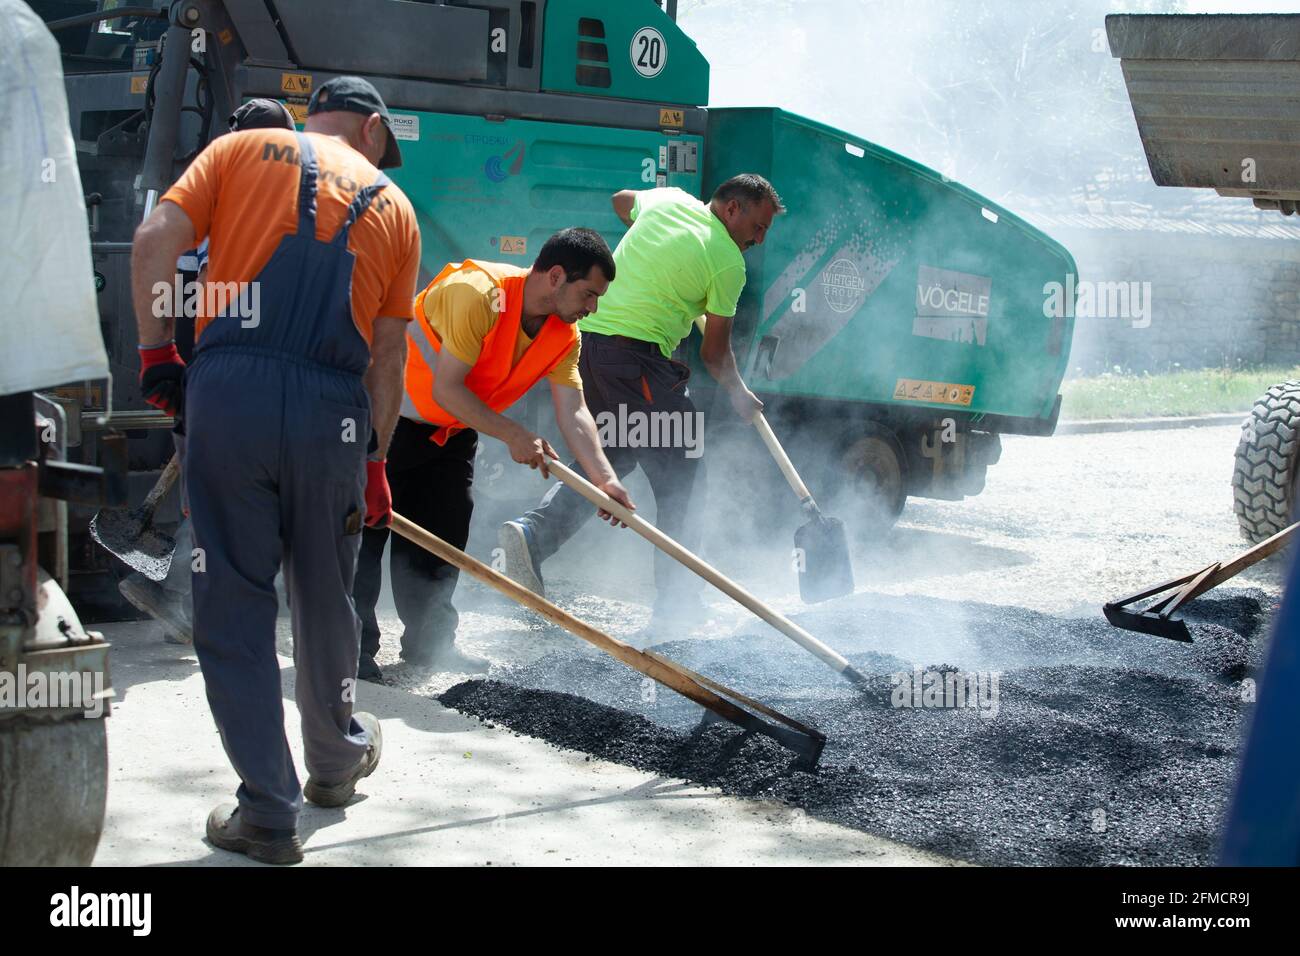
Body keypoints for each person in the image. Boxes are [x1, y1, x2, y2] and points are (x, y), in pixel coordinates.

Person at [131, 76, 419, 864]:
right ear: (372, 131)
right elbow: (389, 357)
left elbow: (155, 241)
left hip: (232, 395)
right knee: (327, 595)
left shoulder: (234, 150)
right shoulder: (394, 205)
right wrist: (376, 461)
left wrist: (159, 354)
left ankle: (265, 809)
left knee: (234, 602)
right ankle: (335, 761)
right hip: (335, 409)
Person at [500, 175, 782, 629]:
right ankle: (677, 605)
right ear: (732, 209)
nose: (760, 238)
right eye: (758, 225)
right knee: (684, 476)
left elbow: (619, 199)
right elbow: (714, 355)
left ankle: (533, 533)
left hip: (587, 346)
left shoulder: (669, 200)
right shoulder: (729, 262)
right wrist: (739, 393)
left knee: (613, 455)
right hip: (637, 361)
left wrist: (658, 257)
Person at [352, 229, 634, 682]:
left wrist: (604, 480)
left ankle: (430, 645)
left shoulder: (564, 335)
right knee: (365, 533)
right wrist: (513, 434)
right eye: (589, 293)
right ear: (556, 276)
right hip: (386, 422)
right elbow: (446, 387)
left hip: (452, 432)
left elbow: (575, 410)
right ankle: (350, 650)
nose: (592, 307)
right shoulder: (478, 294)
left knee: (442, 534)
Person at [118, 98, 296, 645]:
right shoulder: (299, 199)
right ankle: (203, 604)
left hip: (216, 361)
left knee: (221, 489)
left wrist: (163, 356)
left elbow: (168, 278)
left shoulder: (204, 193)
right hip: (247, 366)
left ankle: (203, 602)